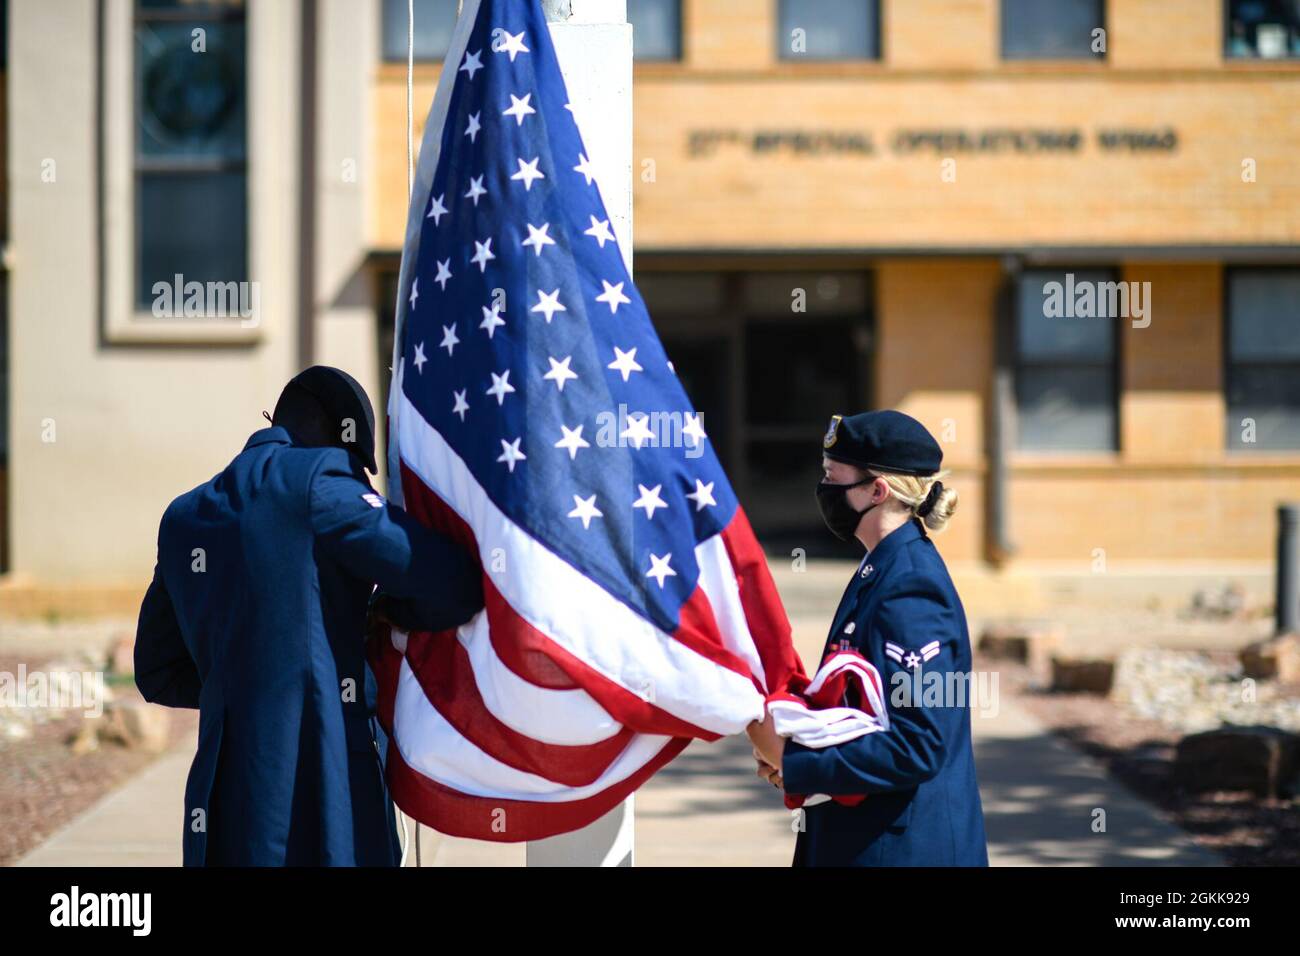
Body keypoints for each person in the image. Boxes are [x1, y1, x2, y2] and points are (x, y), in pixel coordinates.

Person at [134, 366, 483, 866]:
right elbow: (450, 583)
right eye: (354, 465)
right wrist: (383, 615)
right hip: (325, 797)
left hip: (221, 812)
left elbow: (157, 672)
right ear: (329, 438)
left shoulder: (184, 515)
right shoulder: (319, 481)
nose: (355, 479)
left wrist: (250, 684)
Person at [747, 409, 988, 866]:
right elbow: (862, 708)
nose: (824, 490)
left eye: (832, 477)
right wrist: (795, 748)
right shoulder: (882, 566)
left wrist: (796, 760)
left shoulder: (912, 586)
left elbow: (919, 743)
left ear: (877, 491)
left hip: (903, 850)